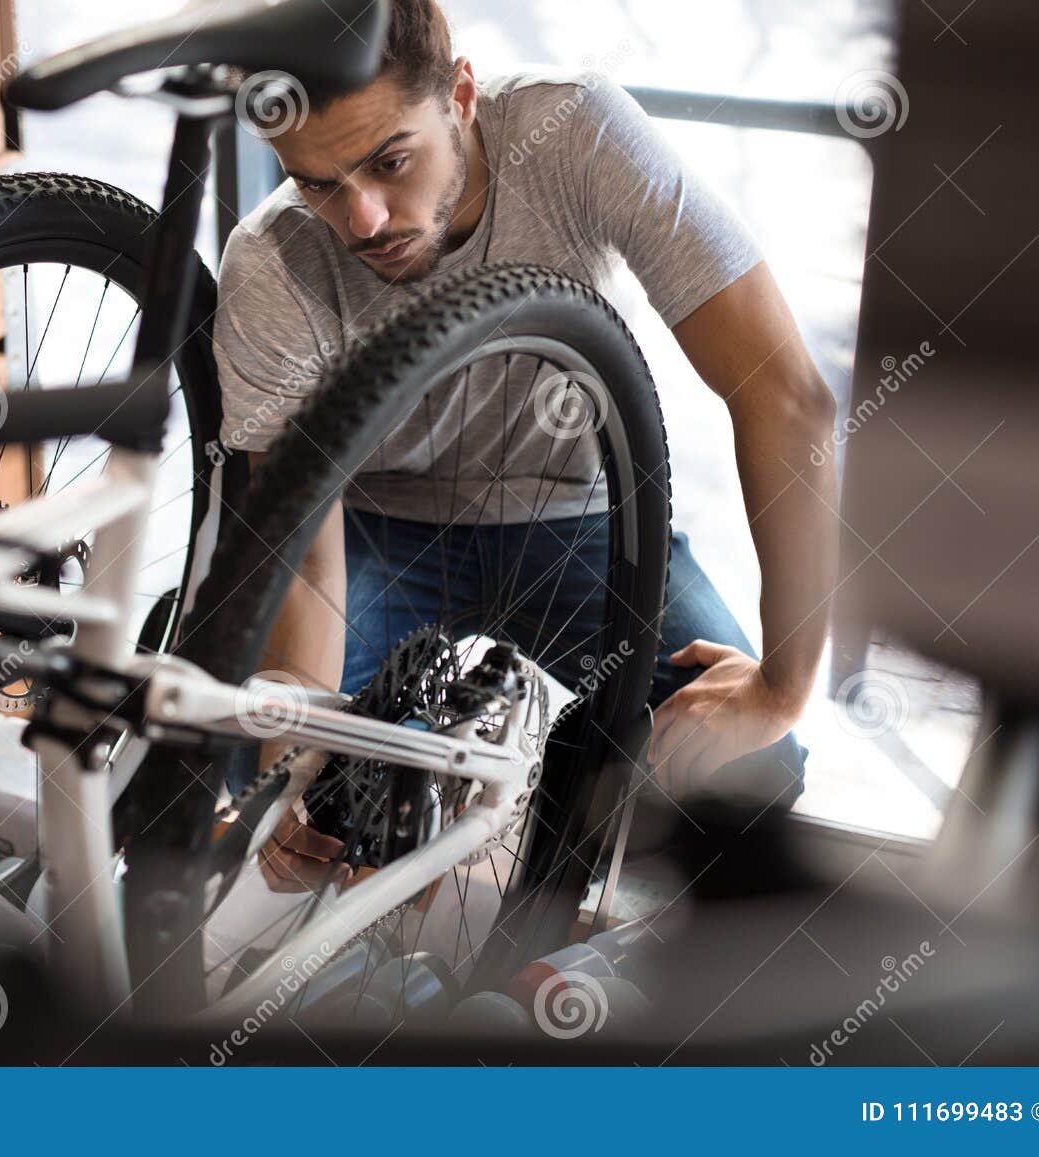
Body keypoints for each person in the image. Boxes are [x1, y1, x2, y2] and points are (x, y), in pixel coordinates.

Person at [214, 0, 838, 891]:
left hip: (580, 522)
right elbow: (303, 560)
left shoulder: (573, 131)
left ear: (461, 95)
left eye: (391, 160)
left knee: (751, 780)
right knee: (286, 798)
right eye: (318, 182)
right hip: (381, 537)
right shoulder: (273, 262)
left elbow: (785, 394)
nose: (362, 219)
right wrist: (293, 769)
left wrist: (782, 684)